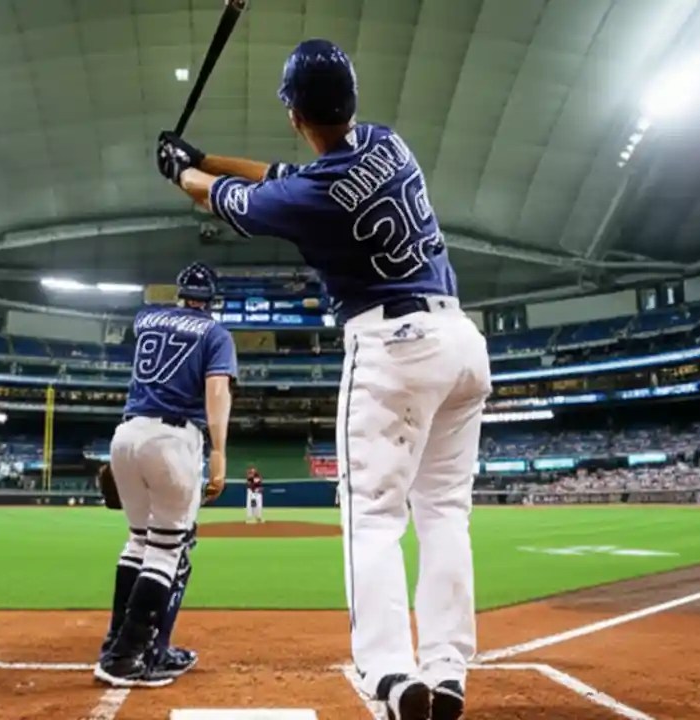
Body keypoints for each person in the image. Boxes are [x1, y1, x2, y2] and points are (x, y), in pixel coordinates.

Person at [155, 39, 492, 720]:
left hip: (393, 345)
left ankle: (392, 674)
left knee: (370, 518)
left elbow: (226, 198)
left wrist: (179, 171)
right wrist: (204, 155)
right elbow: (276, 173)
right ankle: (448, 669)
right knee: (444, 515)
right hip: (461, 341)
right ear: (352, 101)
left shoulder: (309, 199)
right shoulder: (385, 143)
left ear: (293, 113)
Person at [95, 262, 237, 688]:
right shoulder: (215, 333)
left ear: (179, 293)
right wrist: (219, 453)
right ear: (212, 300)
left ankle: (114, 642)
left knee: (138, 541)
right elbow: (216, 390)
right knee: (165, 550)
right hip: (172, 439)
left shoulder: (146, 318)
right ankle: (126, 656)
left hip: (126, 433)